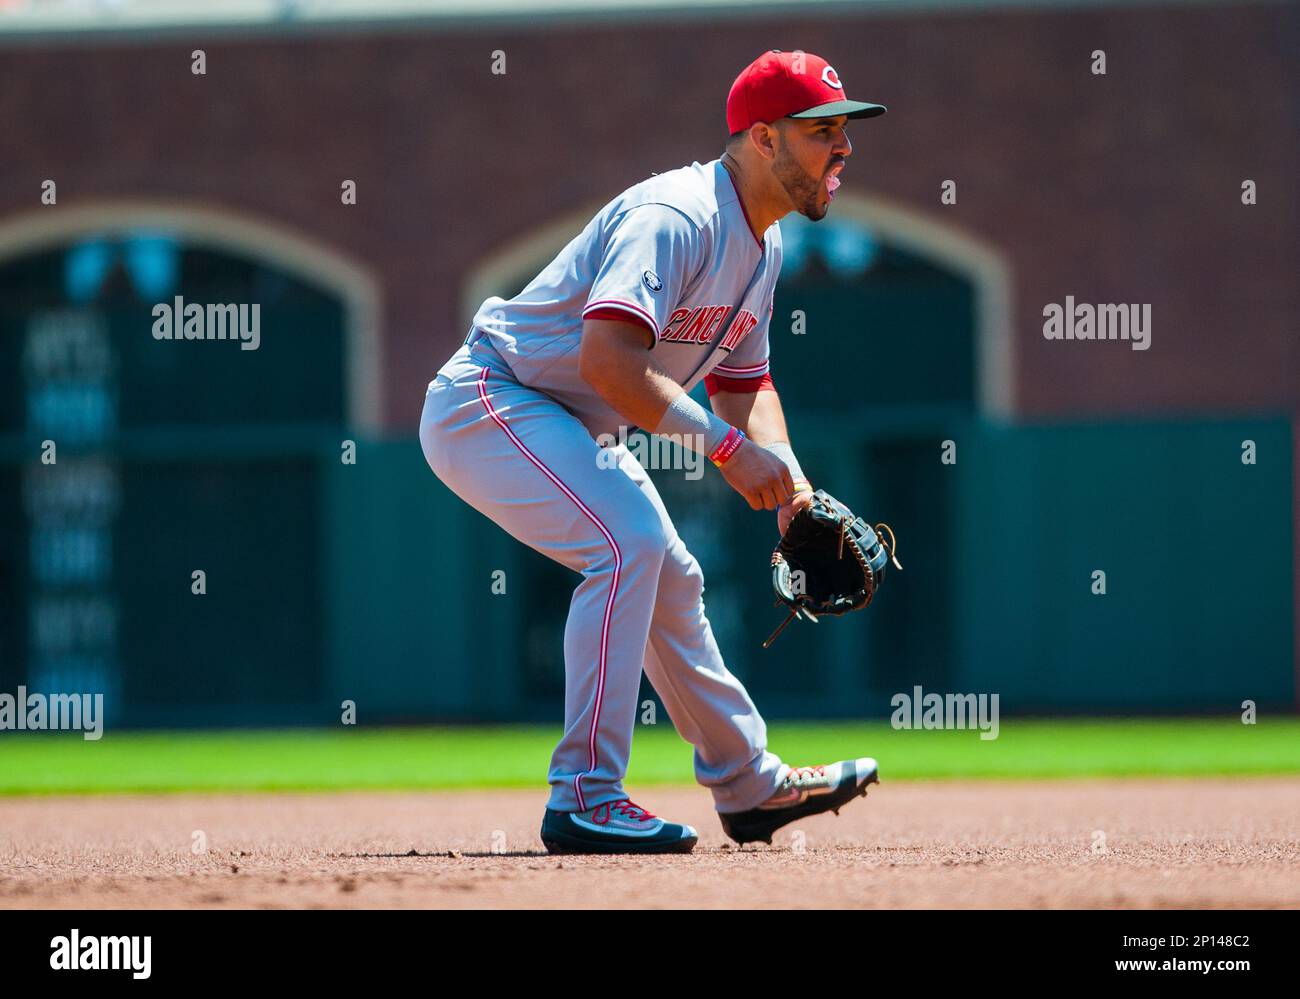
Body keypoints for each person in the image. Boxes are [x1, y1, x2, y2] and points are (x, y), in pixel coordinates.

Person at [420, 50, 887, 853]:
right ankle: (584, 795)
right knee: (626, 543)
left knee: (672, 575)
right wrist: (727, 451)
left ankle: (748, 785)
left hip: (570, 423)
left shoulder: (762, 249)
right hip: (490, 398)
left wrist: (796, 490)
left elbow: (745, 388)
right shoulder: (678, 217)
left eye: (845, 131)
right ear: (765, 140)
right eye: (823, 131)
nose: (843, 148)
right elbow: (609, 362)